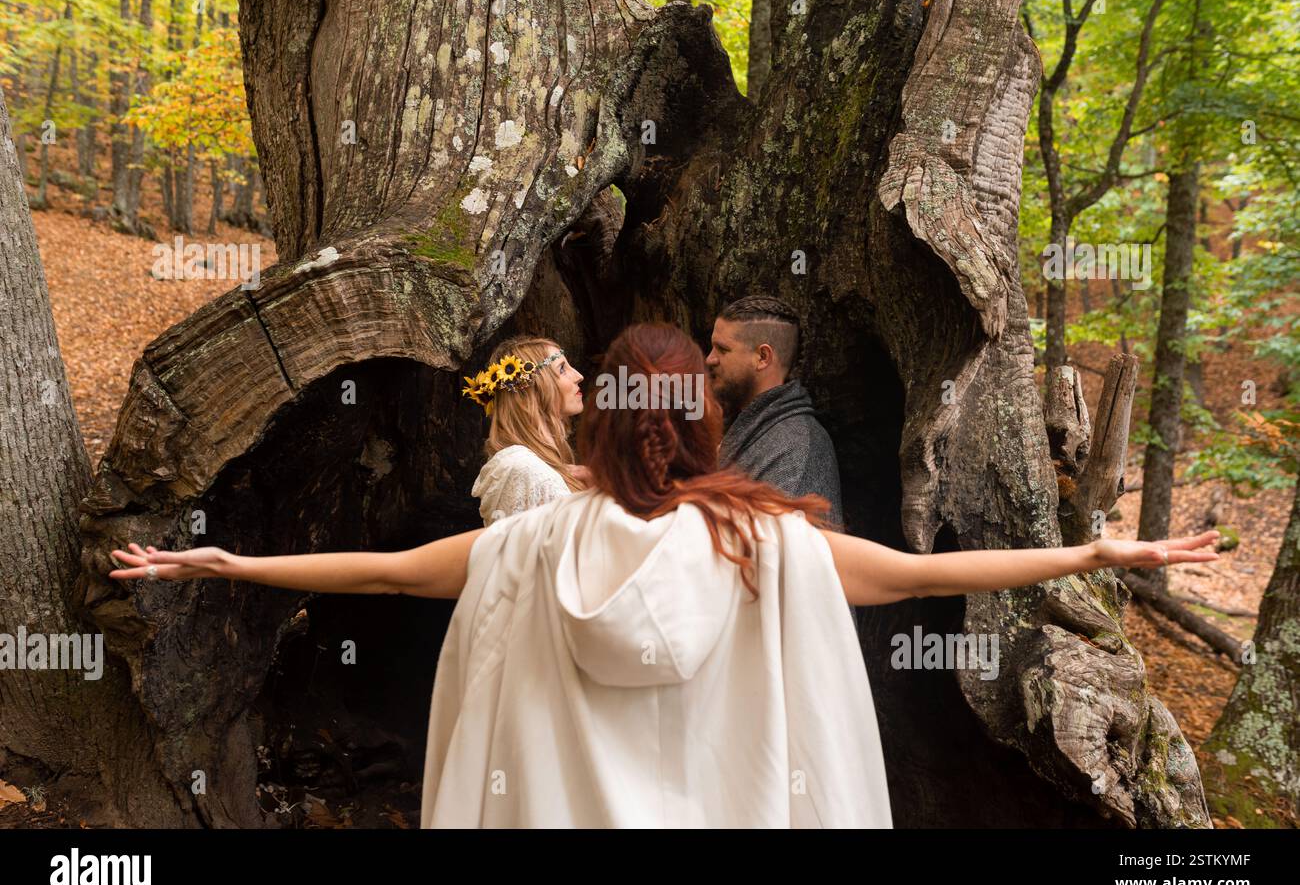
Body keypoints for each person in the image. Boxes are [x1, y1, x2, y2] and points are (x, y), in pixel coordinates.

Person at [108, 323, 1221, 829]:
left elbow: (392, 576)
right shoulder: (763, 543)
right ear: (699, 420)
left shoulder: (536, 544)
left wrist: (231, 560)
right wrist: (1091, 550)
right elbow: (922, 574)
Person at [706, 295, 843, 526]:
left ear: (762, 357)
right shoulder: (754, 428)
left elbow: (778, 554)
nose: (709, 359)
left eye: (722, 349)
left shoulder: (795, 450)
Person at [460, 335, 588, 525]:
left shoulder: (540, 466)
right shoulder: (520, 467)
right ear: (534, 390)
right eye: (562, 369)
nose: (579, 376)